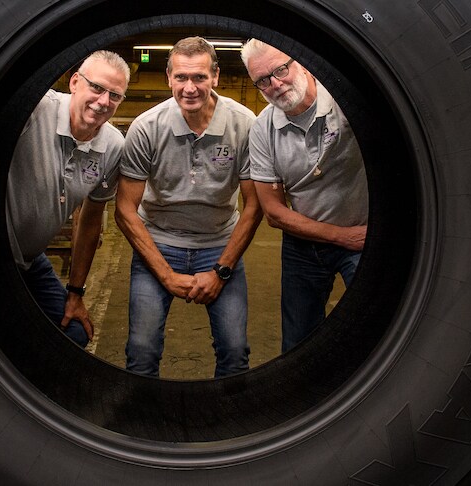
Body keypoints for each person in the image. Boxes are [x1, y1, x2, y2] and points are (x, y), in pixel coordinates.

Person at [116, 36, 262, 378]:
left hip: (218, 245)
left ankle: (229, 424)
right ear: (169, 78)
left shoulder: (244, 124)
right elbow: (124, 209)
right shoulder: (146, 128)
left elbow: (255, 205)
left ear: (215, 77)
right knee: (141, 350)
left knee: (235, 351)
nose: (189, 87)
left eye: (198, 77)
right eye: (181, 77)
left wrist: (222, 270)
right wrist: (165, 275)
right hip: (159, 243)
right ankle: (141, 425)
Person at [242, 39, 368, 352]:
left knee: (377, 326)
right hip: (305, 245)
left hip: (364, 237)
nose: (275, 84)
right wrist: (341, 237)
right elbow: (273, 212)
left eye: (280, 69)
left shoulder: (344, 100)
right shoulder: (262, 130)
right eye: (262, 80)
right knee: (298, 342)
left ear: (302, 62)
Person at [7, 50, 130, 347]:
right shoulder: (34, 109)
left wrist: (76, 292)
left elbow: (90, 220)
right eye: (97, 87)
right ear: (75, 82)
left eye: (115, 95)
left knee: (75, 332)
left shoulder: (113, 146)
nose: (103, 102)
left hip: (30, 260)